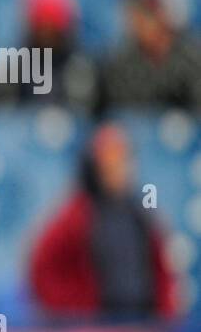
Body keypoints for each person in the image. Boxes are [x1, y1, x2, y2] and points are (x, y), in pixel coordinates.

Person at [29, 124, 177, 321]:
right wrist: (79, 310)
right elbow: (42, 268)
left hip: (143, 324)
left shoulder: (141, 212)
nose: (119, 170)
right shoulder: (77, 214)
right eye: (110, 163)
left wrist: (165, 314)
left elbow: (160, 268)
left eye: (124, 161)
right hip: (98, 330)